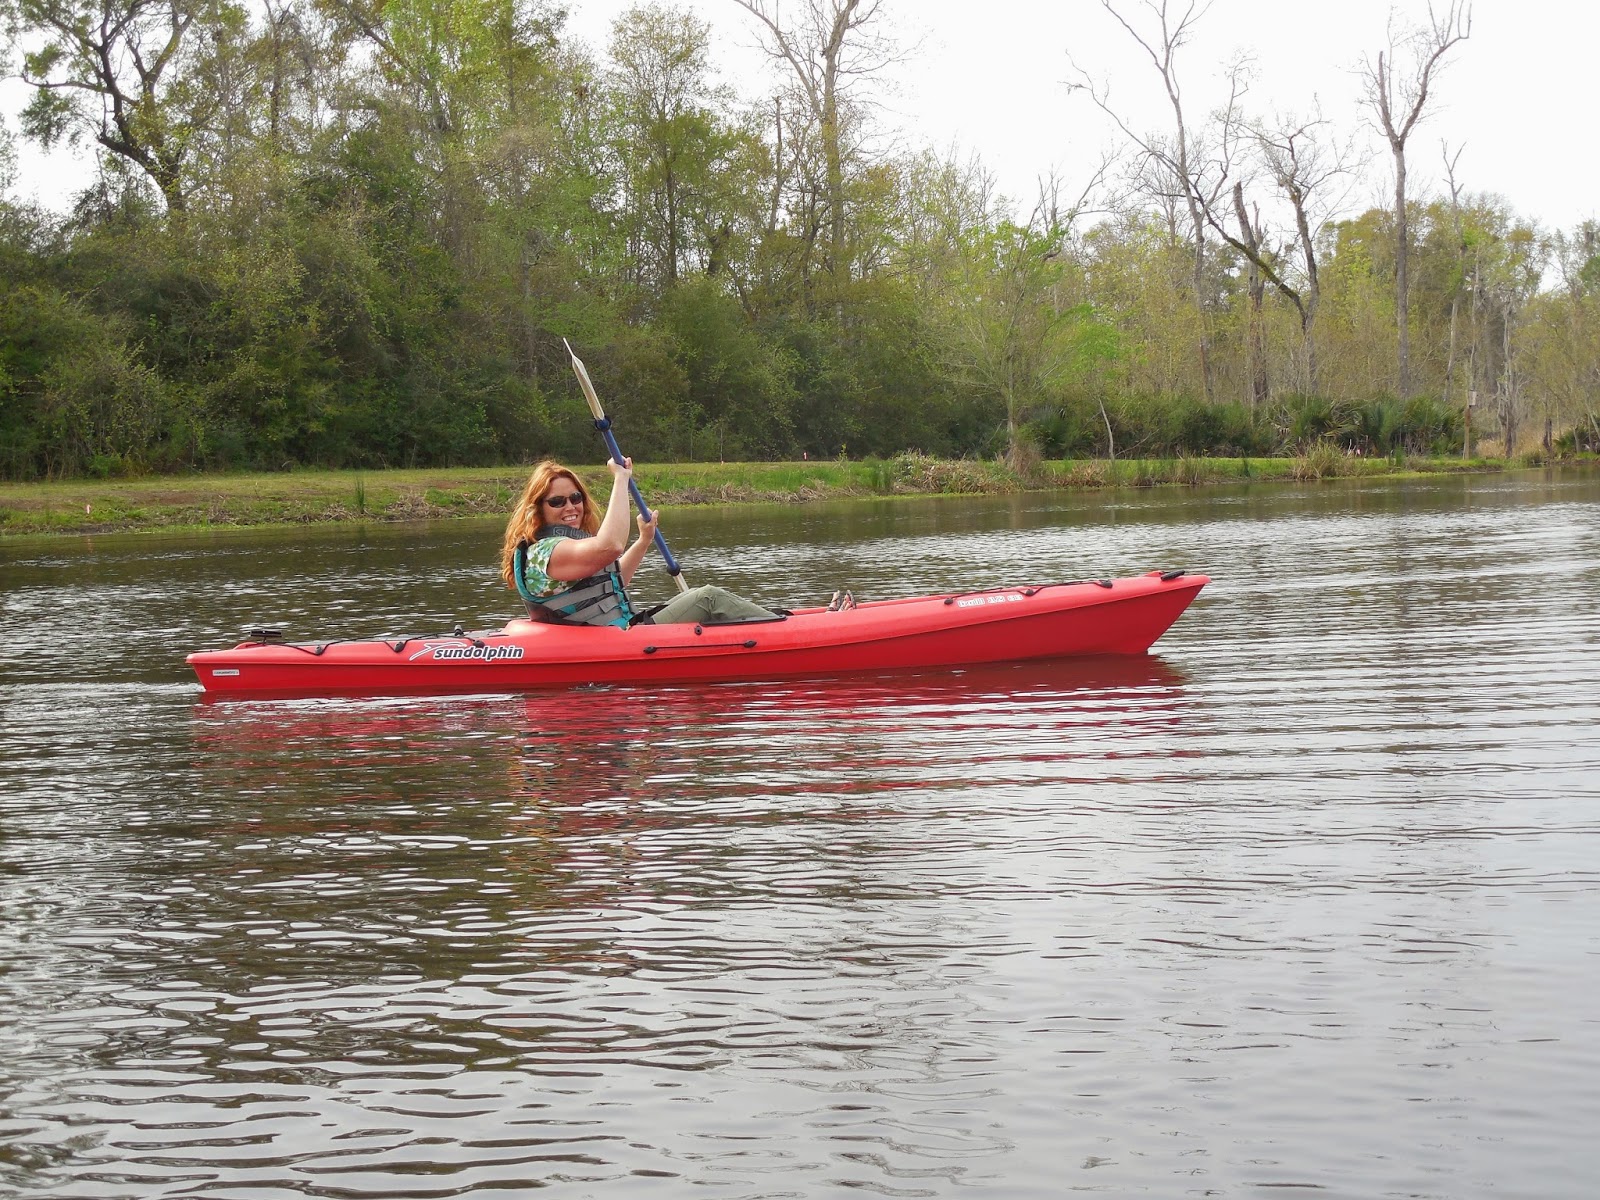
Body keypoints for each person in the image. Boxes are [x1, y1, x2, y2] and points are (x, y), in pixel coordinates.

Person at [500, 458, 780, 627]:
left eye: (576, 498)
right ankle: (783, 630)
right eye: (557, 501)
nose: (571, 506)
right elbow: (610, 546)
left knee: (691, 596)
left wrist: (644, 540)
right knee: (708, 597)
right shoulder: (546, 552)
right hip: (613, 636)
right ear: (539, 509)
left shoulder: (559, 548)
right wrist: (621, 479)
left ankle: (775, 620)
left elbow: (614, 580)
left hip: (618, 628)